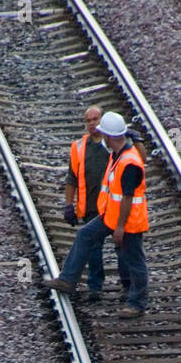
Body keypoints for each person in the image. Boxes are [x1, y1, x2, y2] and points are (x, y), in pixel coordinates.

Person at [45, 111, 148, 318]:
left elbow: (127, 198)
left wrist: (119, 228)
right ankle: (67, 279)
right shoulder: (118, 154)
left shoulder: (129, 162)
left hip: (128, 221)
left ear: (110, 136)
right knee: (85, 234)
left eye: (104, 135)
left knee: (134, 260)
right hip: (110, 215)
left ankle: (137, 303)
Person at [64, 105, 110, 302]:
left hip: (113, 205)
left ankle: (128, 285)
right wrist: (68, 205)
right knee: (94, 248)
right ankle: (95, 287)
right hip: (91, 206)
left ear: (103, 119)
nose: (92, 123)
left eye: (96, 119)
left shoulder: (113, 142)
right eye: (89, 120)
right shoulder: (80, 147)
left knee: (124, 248)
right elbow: (72, 177)